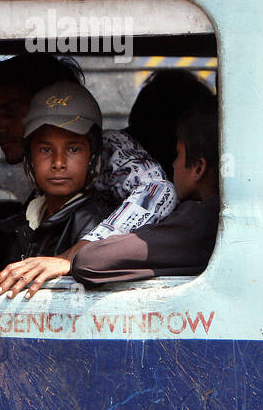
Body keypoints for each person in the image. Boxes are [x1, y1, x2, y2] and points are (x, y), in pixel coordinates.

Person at [0, 54, 177, 242]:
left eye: (8, 112)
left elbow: (158, 191)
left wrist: (82, 251)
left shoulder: (107, 147)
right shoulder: (42, 188)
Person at [71, 97, 220, 286]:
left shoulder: (199, 223)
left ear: (198, 168)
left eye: (178, 155)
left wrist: (70, 257)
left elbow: (89, 261)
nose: (173, 164)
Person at [0, 82, 116, 298]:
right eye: (46, 149)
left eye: (73, 149)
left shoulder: (94, 220)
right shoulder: (30, 216)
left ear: (92, 155)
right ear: (30, 155)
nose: (58, 162)